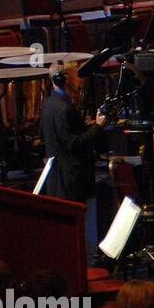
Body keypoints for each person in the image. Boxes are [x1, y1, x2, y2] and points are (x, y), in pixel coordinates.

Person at [40, 62, 106, 256]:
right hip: (71, 179)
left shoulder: (50, 103)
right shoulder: (64, 109)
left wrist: (86, 125)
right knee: (77, 234)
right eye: (76, 76)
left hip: (61, 177)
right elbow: (75, 144)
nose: (79, 80)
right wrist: (99, 126)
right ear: (64, 79)